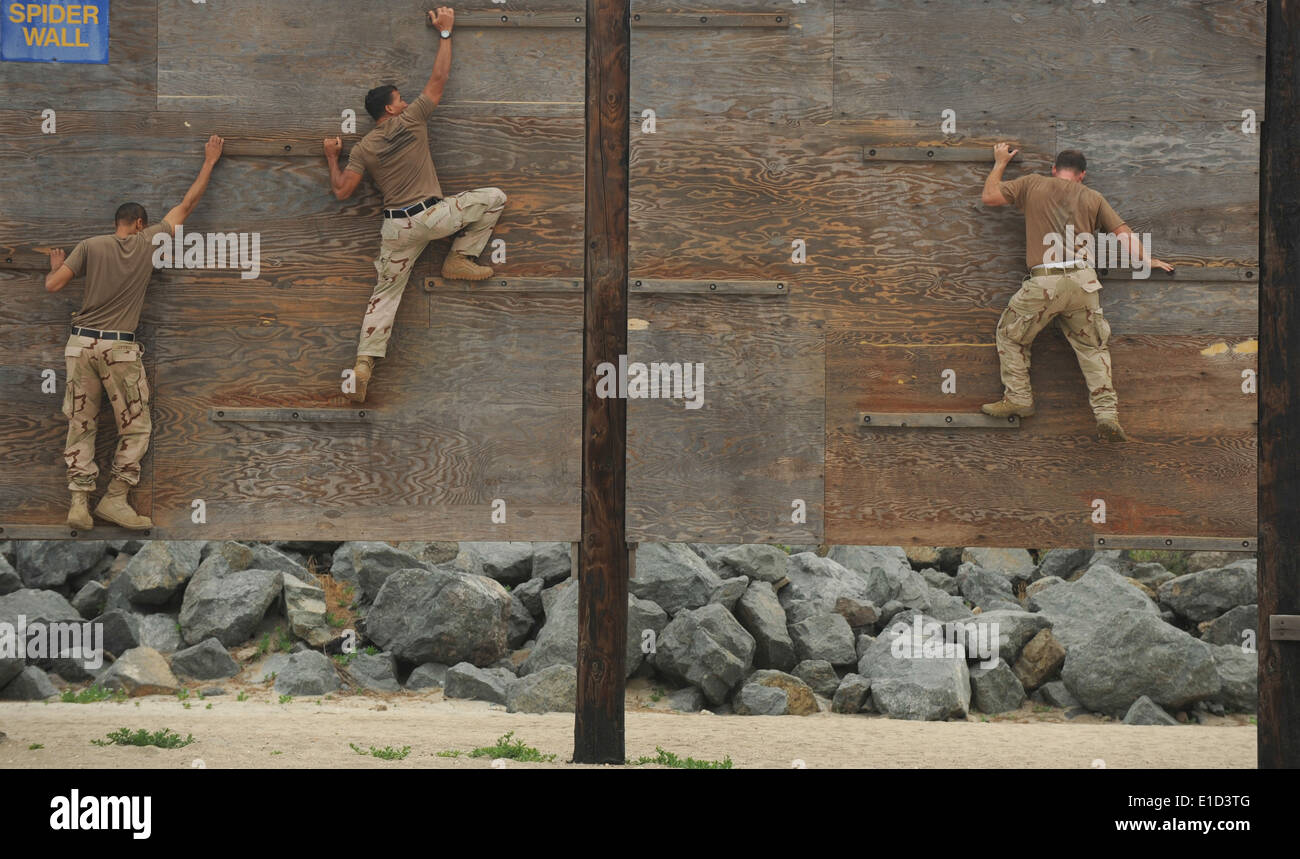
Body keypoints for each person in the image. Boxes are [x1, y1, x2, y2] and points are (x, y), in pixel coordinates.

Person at [324, 5, 508, 403]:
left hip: (396, 228)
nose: (406, 102)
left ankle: (363, 365)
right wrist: (446, 33)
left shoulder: (365, 148)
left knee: (385, 294)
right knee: (494, 199)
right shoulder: (412, 121)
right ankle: (460, 258)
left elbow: (341, 192)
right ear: (390, 108)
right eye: (400, 99)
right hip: (433, 215)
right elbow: (439, 78)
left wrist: (331, 156)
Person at [45, 135, 225, 530]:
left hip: (80, 345)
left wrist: (56, 265)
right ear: (141, 223)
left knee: (81, 421)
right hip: (118, 350)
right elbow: (186, 206)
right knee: (136, 424)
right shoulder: (148, 243)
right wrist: (210, 161)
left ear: (117, 224)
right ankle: (114, 499)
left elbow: (53, 286)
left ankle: (78, 502)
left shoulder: (90, 245)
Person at [980, 144, 1173, 441]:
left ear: (1055, 169)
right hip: (1084, 282)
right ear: (1082, 175)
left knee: (1011, 335)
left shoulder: (1033, 183)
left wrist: (1000, 163)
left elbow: (990, 196)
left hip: (1046, 283)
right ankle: (1107, 414)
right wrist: (1148, 261)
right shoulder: (1093, 197)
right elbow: (1123, 234)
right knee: (1093, 349)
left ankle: (1019, 398)